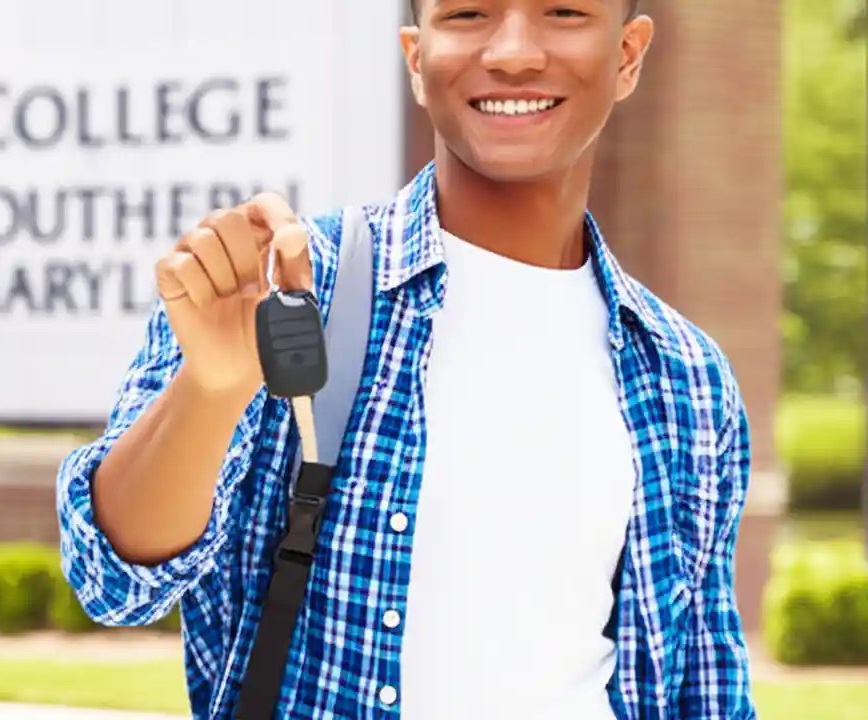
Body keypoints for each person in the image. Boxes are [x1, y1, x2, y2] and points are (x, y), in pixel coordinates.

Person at [57, 0, 756, 717]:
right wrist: (211, 387)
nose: (514, 51)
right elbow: (114, 581)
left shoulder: (686, 377)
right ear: (417, 59)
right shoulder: (290, 288)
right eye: (470, 14)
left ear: (628, 55)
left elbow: (705, 684)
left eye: (564, 12)